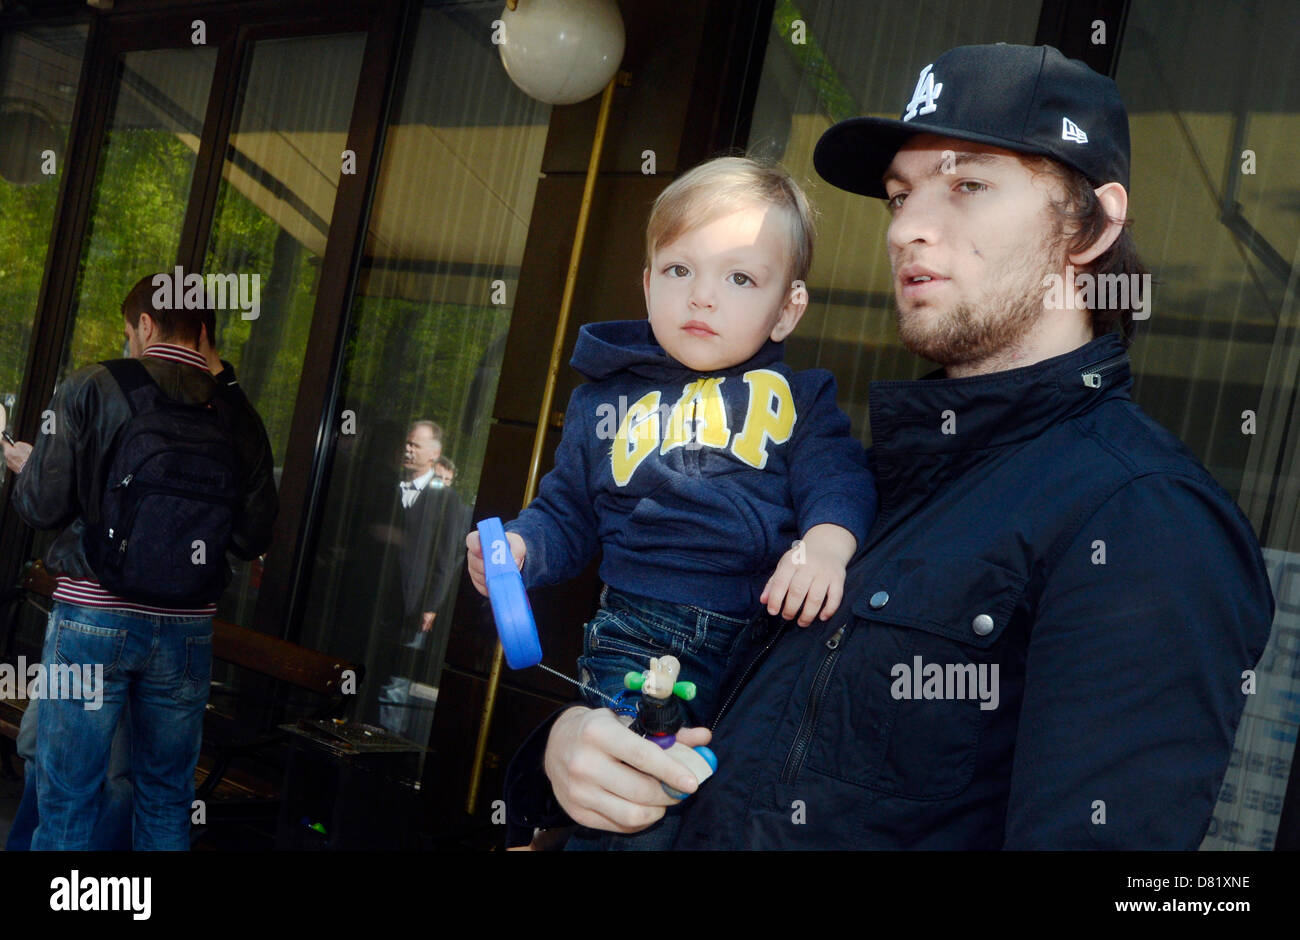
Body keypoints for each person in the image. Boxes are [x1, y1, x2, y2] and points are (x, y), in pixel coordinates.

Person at [502, 43, 1275, 850]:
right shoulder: (868, 474)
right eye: (900, 195)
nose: (908, 228)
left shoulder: (1143, 517)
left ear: (1092, 226)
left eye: (967, 185)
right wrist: (564, 760)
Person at [471, 156, 877, 848]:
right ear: (648, 281)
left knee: (731, 802)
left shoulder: (801, 401)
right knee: (630, 809)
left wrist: (824, 548)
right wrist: (519, 549)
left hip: (765, 640)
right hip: (635, 633)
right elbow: (566, 513)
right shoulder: (603, 400)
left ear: (788, 309)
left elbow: (838, 485)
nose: (702, 298)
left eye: (740, 278)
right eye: (679, 270)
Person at [2, 274, 277, 850]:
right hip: (186, 631)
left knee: (67, 794)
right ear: (204, 331)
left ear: (145, 326)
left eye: (130, 332)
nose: (128, 344)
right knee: (165, 798)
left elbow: (42, 505)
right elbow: (253, 538)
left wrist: (30, 467)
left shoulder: (91, 386)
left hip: (91, 621)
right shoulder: (237, 415)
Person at [360, 420, 468, 737]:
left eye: (416, 445)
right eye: (407, 443)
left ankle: (384, 749)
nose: (408, 449)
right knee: (367, 675)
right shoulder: (383, 491)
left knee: (395, 684)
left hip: (412, 607)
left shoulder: (448, 502)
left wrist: (430, 606)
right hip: (374, 602)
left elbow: (446, 559)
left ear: (434, 454)